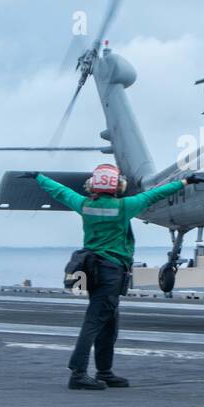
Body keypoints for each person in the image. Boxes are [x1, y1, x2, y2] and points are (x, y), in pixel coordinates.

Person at [35, 165, 187, 390]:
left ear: (92, 185)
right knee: (95, 321)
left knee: (108, 323)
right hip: (111, 271)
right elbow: (156, 193)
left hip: (92, 269)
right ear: (118, 186)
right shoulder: (125, 206)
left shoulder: (85, 205)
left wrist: (40, 178)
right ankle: (78, 374)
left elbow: (61, 192)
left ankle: (104, 372)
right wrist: (183, 183)